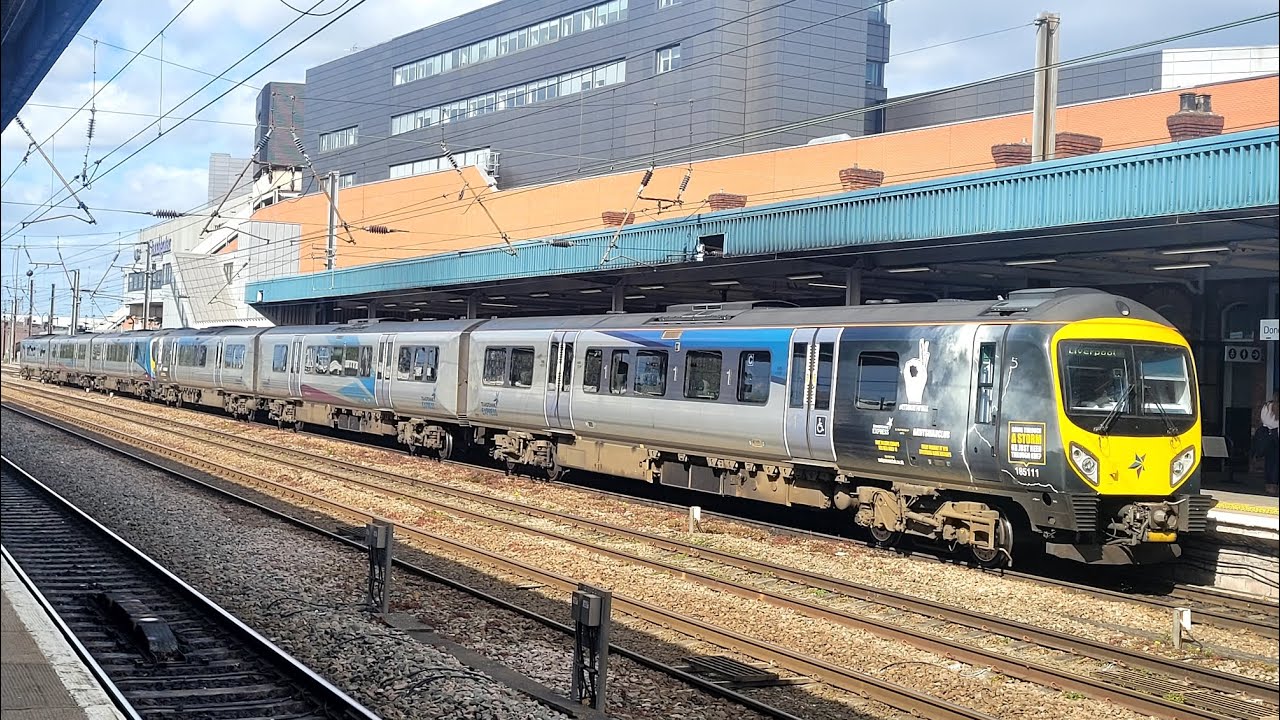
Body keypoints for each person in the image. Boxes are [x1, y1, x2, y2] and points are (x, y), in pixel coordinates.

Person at [1258, 392, 1279, 496]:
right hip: (1276, 435)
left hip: (1267, 434)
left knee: (1268, 461)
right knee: (1276, 462)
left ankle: (1268, 485)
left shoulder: (1267, 406)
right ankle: (1274, 486)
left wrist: (1269, 426)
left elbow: (1263, 419)